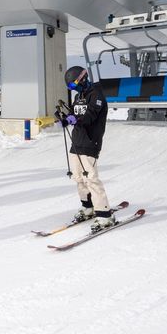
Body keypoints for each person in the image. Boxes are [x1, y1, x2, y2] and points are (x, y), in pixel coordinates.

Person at [59, 65, 116, 232]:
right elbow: (74, 113)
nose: (73, 89)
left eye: (74, 85)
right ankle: (88, 207)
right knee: (78, 177)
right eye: (71, 87)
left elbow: (90, 116)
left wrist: (73, 119)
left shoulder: (96, 95)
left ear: (82, 79)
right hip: (77, 141)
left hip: (91, 142)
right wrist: (65, 117)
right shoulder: (79, 96)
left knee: (91, 178)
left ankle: (104, 215)